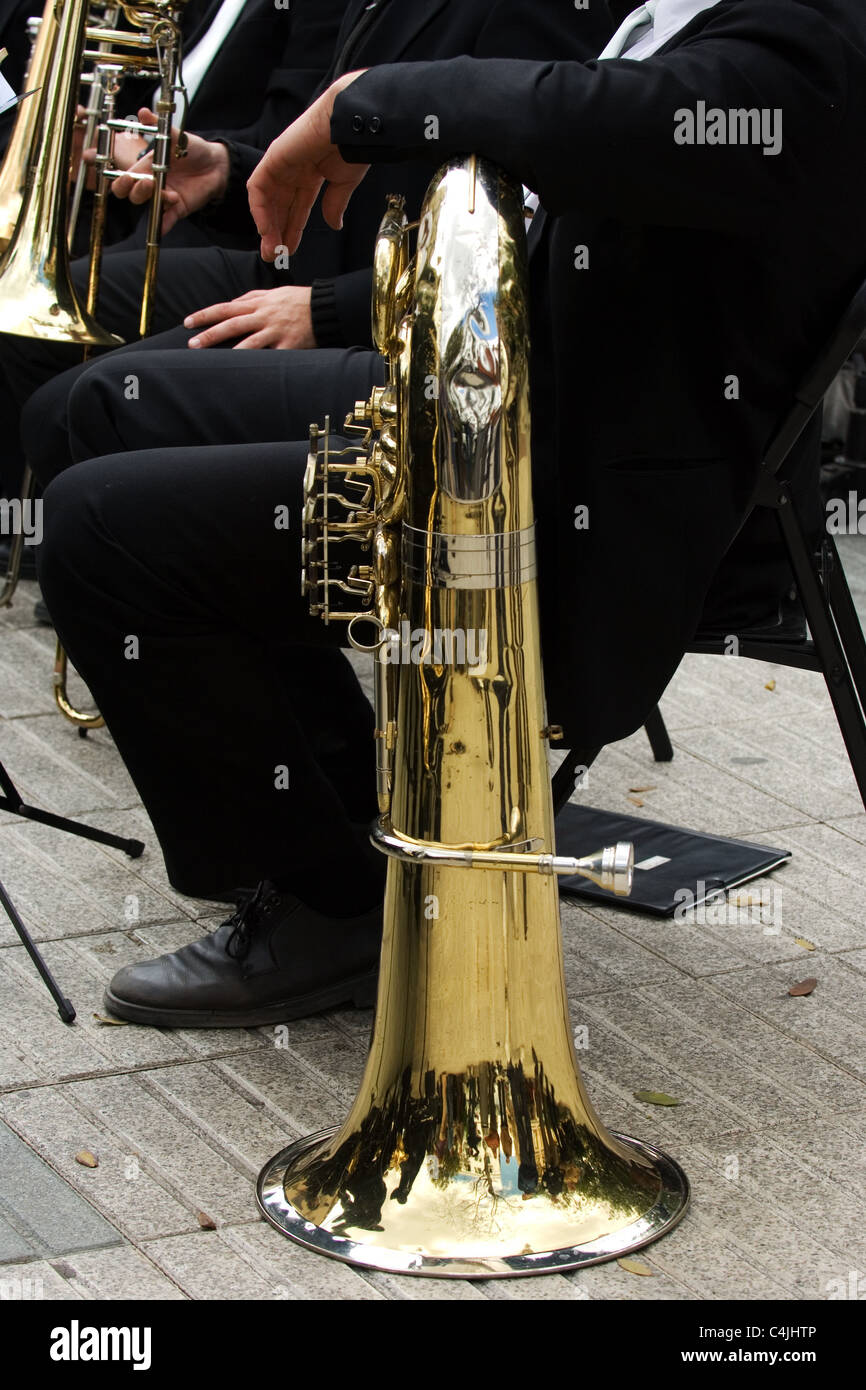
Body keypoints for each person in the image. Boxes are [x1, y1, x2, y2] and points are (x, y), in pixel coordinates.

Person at [36, 0, 866, 1029]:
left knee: (98, 528)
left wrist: (362, 103)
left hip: (554, 519)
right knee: (96, 412)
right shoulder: (717, 21)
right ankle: (347, 846)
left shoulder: (807, 46)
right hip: (498, 407)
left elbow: (601, 119)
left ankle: (326, 904)